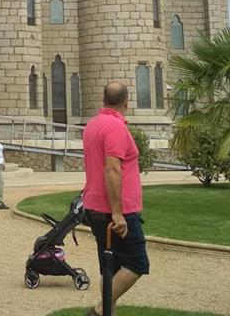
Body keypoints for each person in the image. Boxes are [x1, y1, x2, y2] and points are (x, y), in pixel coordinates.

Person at [82, 81, 149, 316]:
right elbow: (112, 169)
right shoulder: (115, 127)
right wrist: (118, 212)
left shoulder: (92, 124)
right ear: (126, 103)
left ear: (103, 101)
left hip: (96, 207)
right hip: (115, 211)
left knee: (110, 268)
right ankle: (99, 310)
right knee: (137, 263)